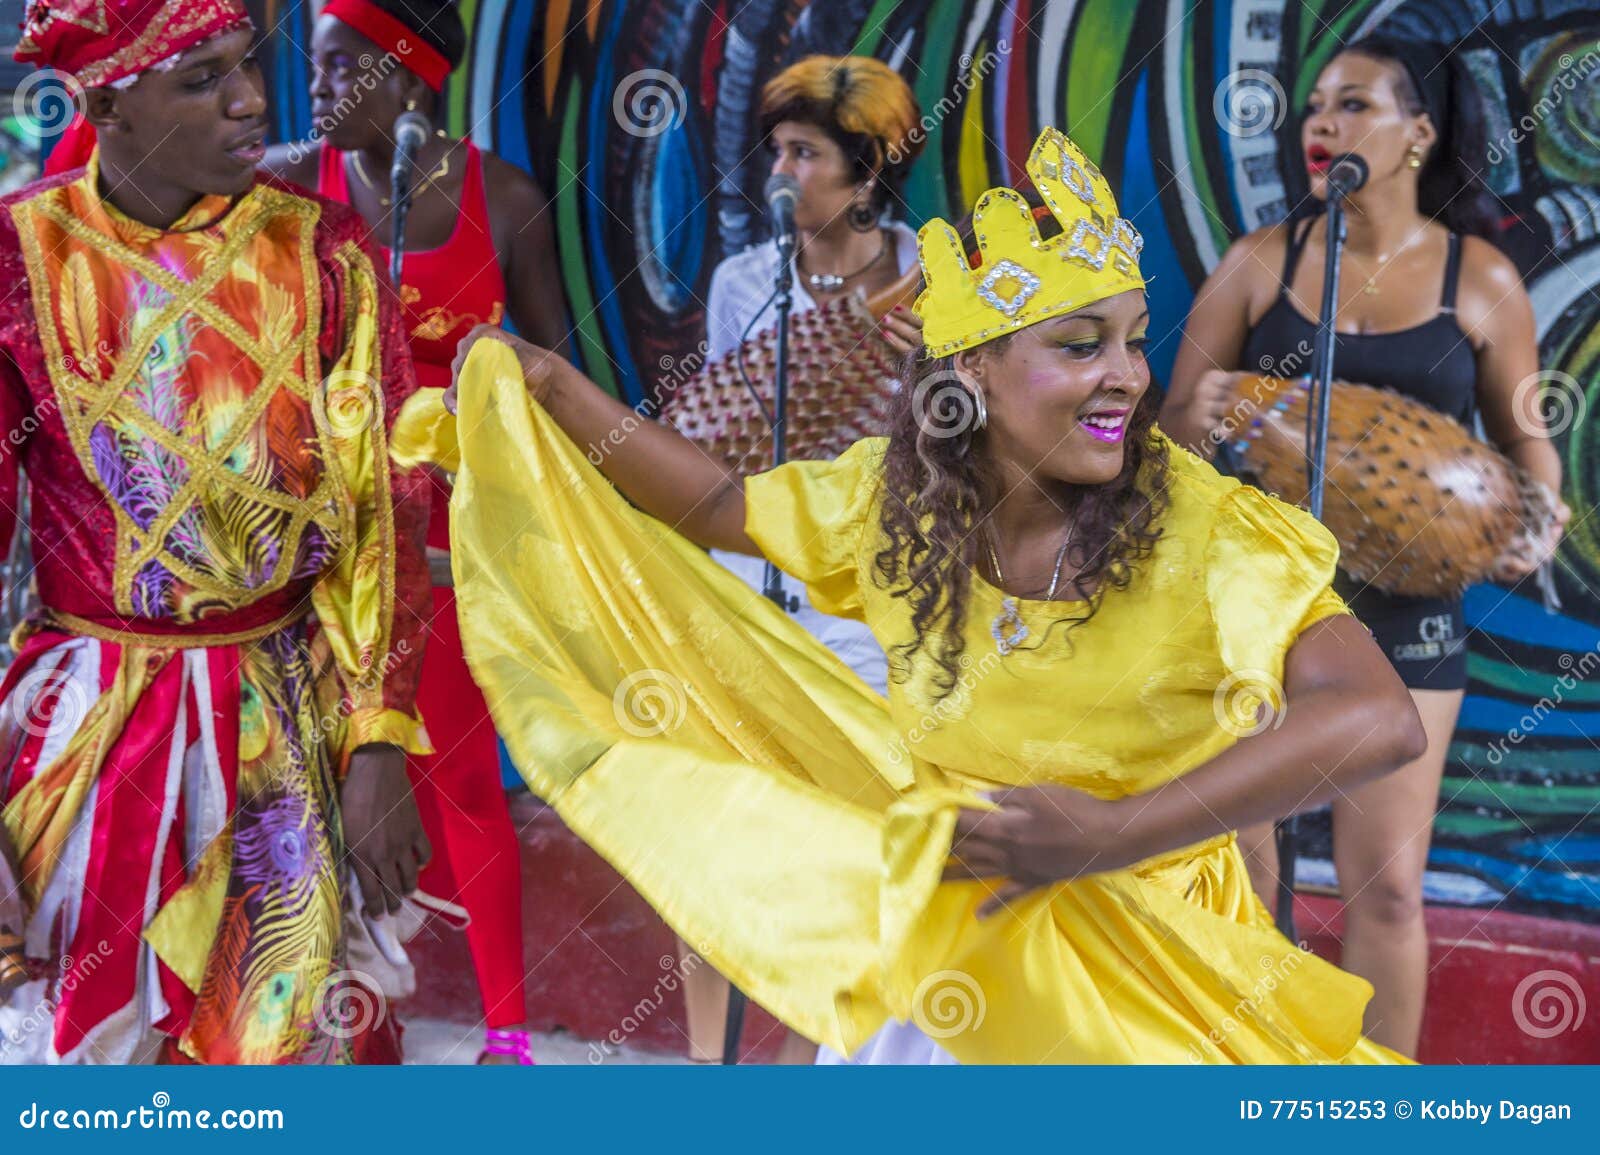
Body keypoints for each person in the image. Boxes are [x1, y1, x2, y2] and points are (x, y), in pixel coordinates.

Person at [397, 125, 1427, 1063]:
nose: (1125, 375)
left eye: (1129, 339)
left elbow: (1376, 719)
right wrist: (551, 389)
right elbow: (717, 500)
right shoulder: (900, 515)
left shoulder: (1202, 532)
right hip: (947, 968)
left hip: (1143, 985)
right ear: (973, 369)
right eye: (1079, 346)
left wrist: (1112, 833)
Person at [0, 0, 431, 1064]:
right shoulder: (22, 260)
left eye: (247, 68)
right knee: (93, 1055)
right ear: (107, 101)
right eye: (202, 81)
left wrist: (378, 741)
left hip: (285, 721)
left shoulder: (319, 251)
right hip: (91, 734)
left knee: (278, 1050)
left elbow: (382, 504)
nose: (251, 103)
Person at [1159, 36, 1567, 1056]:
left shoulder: (1480, 282)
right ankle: (1239, 1086)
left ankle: (1378, 1105)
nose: (1320, 126)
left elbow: (1527, 441)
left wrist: (1538, 513)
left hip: (1405, 617)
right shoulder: (1264, 261)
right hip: (1258, 613)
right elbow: (1168, 430)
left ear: (1417, 134)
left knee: (1383, 893)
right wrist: (1212, 410)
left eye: (1352, 106)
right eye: (1313, 109)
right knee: (1247, 877)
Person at [262, 0, 567, 1065]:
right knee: (315, 775)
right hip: (314, 534)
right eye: (317, 61)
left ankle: (508, 1032)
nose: (318, 86)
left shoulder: (507, 199)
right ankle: (356, 1018)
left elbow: (560, 384)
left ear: (407, 75)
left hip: (444, 544)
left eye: (345, 64)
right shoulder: (289, 188)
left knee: (461, 779)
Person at [684, 52, 923, 1063]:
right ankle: (710, 1068)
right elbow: (722, 437)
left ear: (868, 173)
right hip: (752, 580)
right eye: (775, 150)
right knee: (723, 841)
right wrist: (845, 339)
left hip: (871, 595)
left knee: (854, 839)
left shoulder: (938, 276)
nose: (781, 173)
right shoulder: (746, 279)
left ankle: (810, 1062)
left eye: (806, 153)